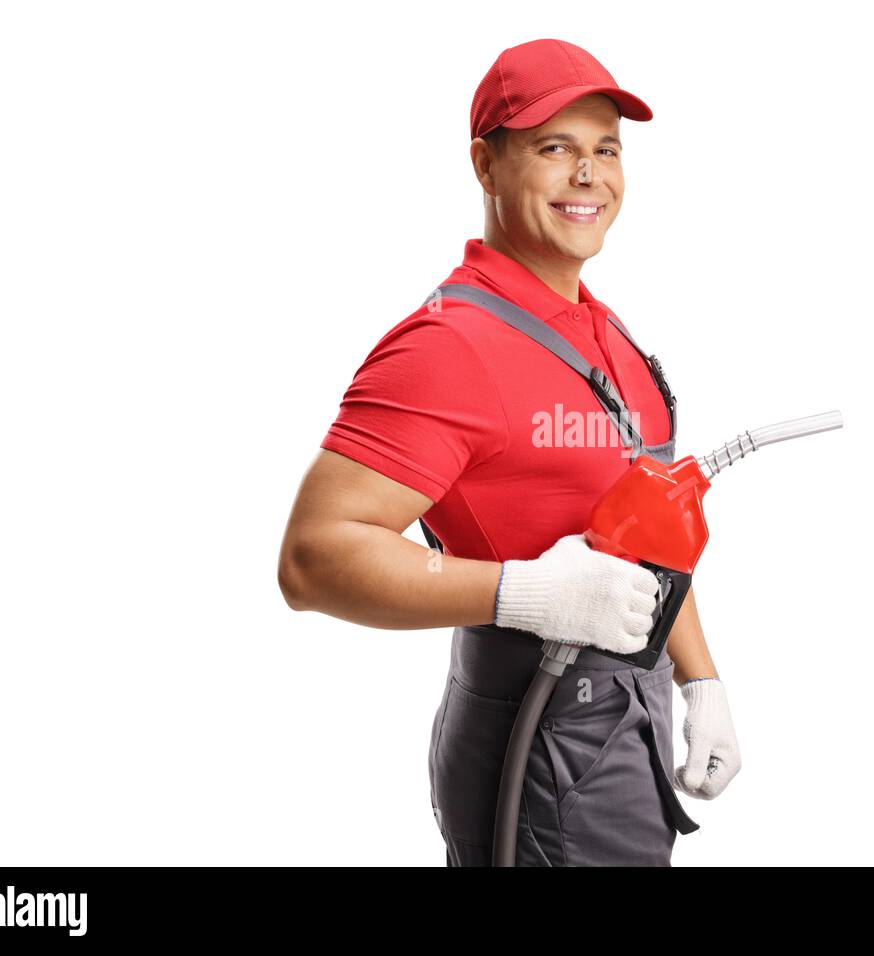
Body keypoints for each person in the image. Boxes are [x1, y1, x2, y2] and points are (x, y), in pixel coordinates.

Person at [278, 38, 740, 866]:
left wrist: (698, 677)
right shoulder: (448, 348)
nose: (588, 174)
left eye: (605, 150)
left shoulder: (611, 338)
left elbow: (646, 531)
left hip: (625, 719)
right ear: (486, 166)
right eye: (554, 148)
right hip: (541, 740)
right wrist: (525, 593)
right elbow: (313, 560)